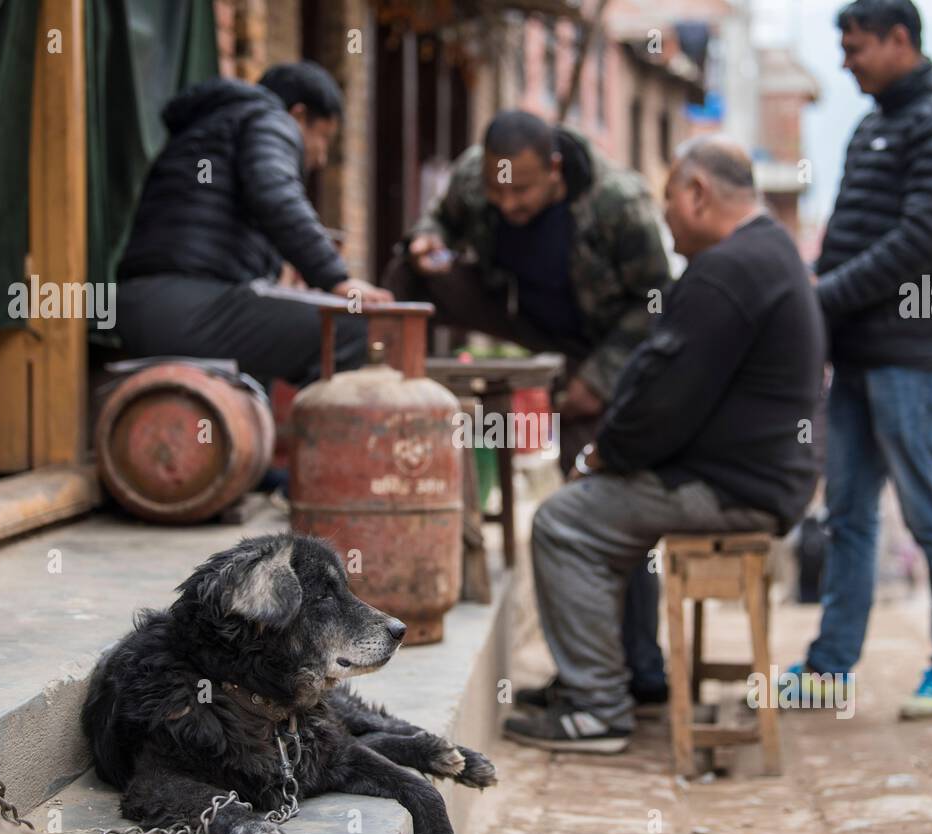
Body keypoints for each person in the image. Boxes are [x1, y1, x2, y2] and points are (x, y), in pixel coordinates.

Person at [503, 136, 825, 753]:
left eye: (670, 198)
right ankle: (616, 679)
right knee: (602, 516)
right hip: (759, 479)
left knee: (564, 521)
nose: (665, 217)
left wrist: (601, 457)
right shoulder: (771, 253)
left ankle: (596, 709)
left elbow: (662, 401)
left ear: (699, 194)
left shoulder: (729, 269)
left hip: (735, 487)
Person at [385, 110, 671, 705]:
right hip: (512, 312)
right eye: (497, 189)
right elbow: (438, 219)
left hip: (596, 345)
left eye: (522, 190)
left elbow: (657, 307)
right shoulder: (475, 178)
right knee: (408, 262)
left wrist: (599, 378)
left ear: (557, 172)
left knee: (602, 497)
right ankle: (386, 376)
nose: (507, 202)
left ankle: (640, 668)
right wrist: (430, 239)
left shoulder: (620, 203)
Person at [785, 0, 932, 719]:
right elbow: (848, 235)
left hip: (915, 358)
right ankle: (830, 667)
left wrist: (819, 295)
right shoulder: (873, 125)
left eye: (857, 46)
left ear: (901, 39)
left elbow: (918, 245)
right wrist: (818, 296)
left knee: (931, 510)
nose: (845, 60)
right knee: (846, 517)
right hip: (858, 357)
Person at [114, 61, 392, 387]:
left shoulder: (218, 126)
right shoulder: (271, 120)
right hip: (184, 308)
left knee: (276, 327)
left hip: (149, 306)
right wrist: (337, 279)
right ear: (299, 115)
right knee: (355, 328)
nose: (320, 157)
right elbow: (275, 194)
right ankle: (321, 437)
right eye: (323, 138)